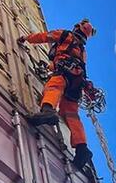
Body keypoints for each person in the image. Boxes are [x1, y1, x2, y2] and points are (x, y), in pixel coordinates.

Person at [18, 18, 96, 170]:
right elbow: (73, 62)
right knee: (71, 113)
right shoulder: (82, 51)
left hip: (64, 72)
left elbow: (45, 36)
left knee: (53, 88)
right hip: (78, 81)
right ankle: (82, 148)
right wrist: (49, 66)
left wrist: (26, 38)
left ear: (77, 27)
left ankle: (47, 111)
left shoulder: (66, 35)